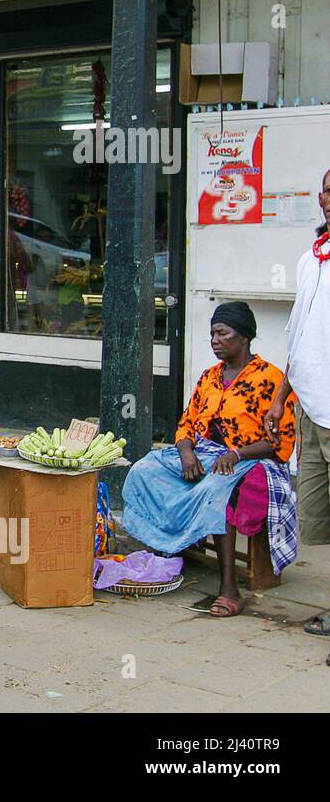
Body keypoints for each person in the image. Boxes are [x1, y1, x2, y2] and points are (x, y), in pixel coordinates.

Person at [123, 302, 298, 618]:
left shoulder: (269, 378)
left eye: (223, 333)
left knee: (217, 489)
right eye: (212, 334)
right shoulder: (209, 377)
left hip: (254, 460)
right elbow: (187, 422)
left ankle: (229, 588)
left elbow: (280, 442)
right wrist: (186, 452)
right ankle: (167, 547)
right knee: (144, 469)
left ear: (243, 337)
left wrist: (236, 453)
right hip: (204, 453)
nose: (215, 340)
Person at [264, 166, 330, 639]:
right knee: (317, 519)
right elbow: (300, 337)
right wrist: (281, 398)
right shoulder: (312, 259)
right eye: (328, 190)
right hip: (310, 408)